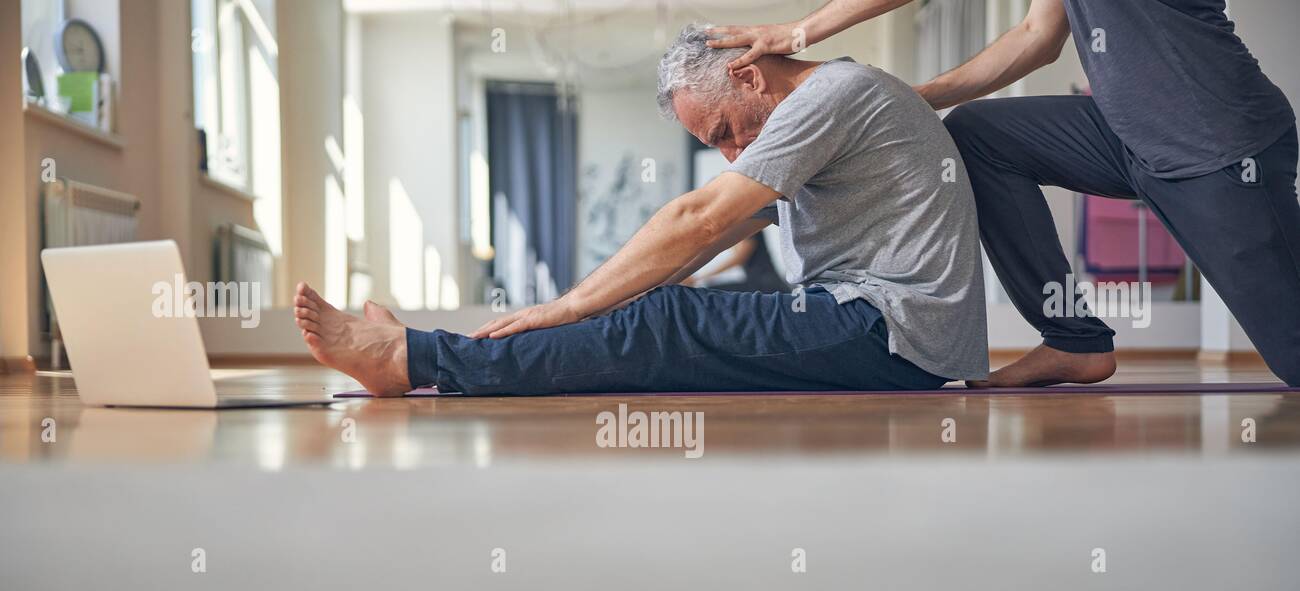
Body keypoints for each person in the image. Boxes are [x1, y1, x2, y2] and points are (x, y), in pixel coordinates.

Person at [293, 24, 988, 397]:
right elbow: (705, 242)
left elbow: (701, 219)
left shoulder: (829, 95)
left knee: (662, 318)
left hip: (891, 332)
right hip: (887, 330)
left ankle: (411, 359)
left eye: (723, 132)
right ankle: (418, 350)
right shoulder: (825, 109)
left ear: (748, 74)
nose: (729, 154)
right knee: (655, 305)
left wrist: (567, 307)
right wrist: (604, 297)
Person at [710, 0, 1300, 387]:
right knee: (980, 135)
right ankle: (1074, 340)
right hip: (1126, 134)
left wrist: (799, 31)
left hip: (1217, 142)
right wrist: (908, 102)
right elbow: (1036, 37)